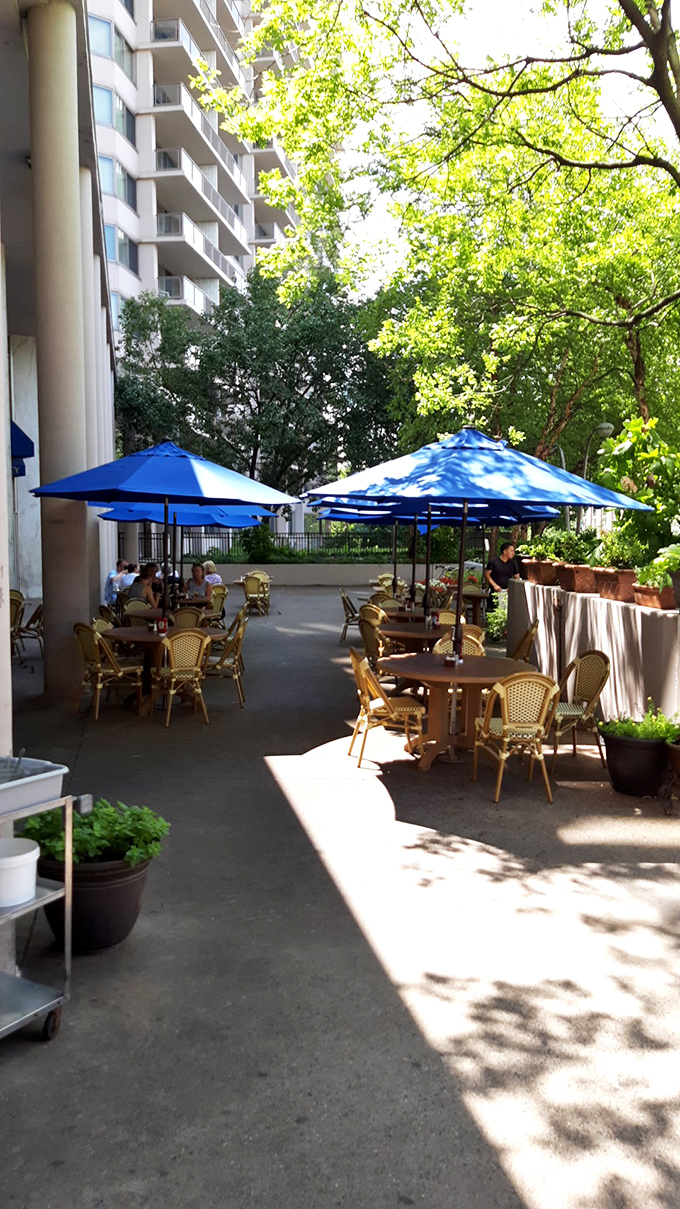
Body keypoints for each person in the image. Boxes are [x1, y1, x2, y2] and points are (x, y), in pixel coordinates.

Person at [484, 542, 520, 608]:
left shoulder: (512, 563)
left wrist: (511, 587)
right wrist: (495, 585)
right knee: (494, 609)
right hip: (495, 591)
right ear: (505, 551)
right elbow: (487, 574)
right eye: (511, 551)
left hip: (507, 591)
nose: (513, 553)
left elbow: (516, 576)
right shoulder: (493, 562)